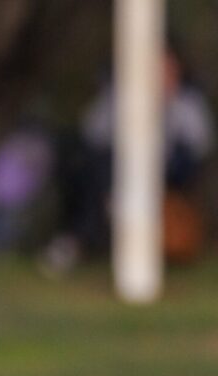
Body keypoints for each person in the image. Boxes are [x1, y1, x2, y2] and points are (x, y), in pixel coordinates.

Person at [41, 45, 215, 274]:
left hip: (167, 174)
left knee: (109, 178)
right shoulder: (122, 97)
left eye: (167, 71)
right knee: (92, 166)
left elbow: (199, 147)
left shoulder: (187, 104)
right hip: (114, 169)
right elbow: (92, 133)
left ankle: (78, 238)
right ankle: (99, 219)